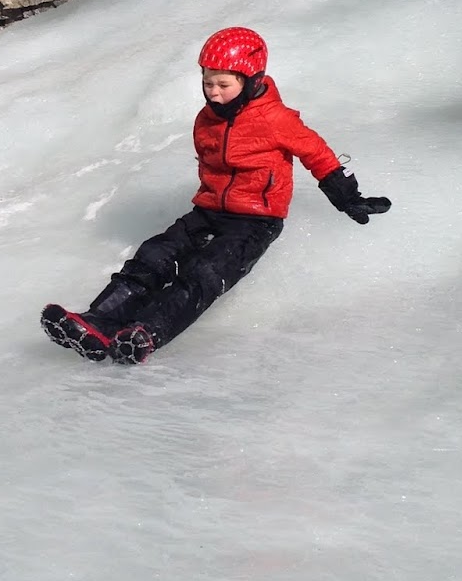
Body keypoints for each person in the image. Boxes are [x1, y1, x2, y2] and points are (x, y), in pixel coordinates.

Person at [41, 27, 391, 366]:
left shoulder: (275, 119)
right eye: (208, 83)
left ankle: (145, 333)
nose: (213, 92)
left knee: (204, 272)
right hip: (208, 212)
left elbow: (316, 153)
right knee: (154, 255)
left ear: (251, 80)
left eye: (224, 84)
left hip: (256, 220)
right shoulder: (206, 119)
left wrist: (346, 196)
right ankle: (98, 321)